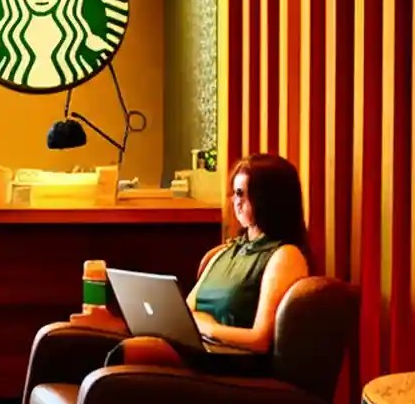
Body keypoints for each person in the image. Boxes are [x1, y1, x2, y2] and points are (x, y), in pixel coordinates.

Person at [105, 153, 311, 373]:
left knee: (132, 352)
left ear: (269, 200)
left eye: (243, 194)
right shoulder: (226, 252)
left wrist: (209, 328)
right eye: (235, 193)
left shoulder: (284, 256)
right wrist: (195, 327)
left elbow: (260, 340)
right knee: (101, 343)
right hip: (199, 347)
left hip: (231, 359)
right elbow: (186, 313)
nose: (236, 202)